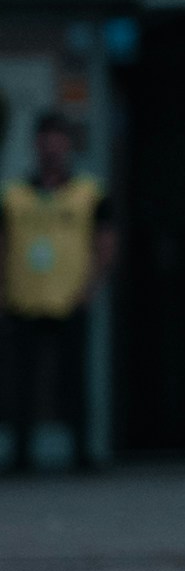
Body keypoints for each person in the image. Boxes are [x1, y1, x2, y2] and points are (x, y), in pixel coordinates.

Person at [3, 106, 111, 474]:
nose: (52, 146)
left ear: (67, 144)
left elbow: (106, 241)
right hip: (23, 299)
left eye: (58, 138)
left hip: (70, 299)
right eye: (45, 138)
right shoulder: (14, 195)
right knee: (20, 383)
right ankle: (20, 456)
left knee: (73, 381)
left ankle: (82, 452)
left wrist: (92, 287)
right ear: (36, 144)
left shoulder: (88, 192)